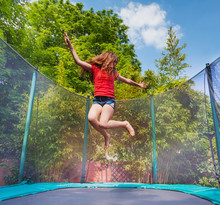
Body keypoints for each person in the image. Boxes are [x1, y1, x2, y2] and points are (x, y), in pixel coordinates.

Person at [64, 32, 146, 150]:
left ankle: (125, 123)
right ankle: (106, 135)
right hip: (97, 100)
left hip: (108, 101)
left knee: (103, 123)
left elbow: (127, 80)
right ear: (108, 60)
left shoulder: (114, 73)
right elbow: (78, 61)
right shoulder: (95, 68)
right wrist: (71, 47)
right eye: (114, 62)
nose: (115, 64)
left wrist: (138, 85)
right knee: (91, 118)